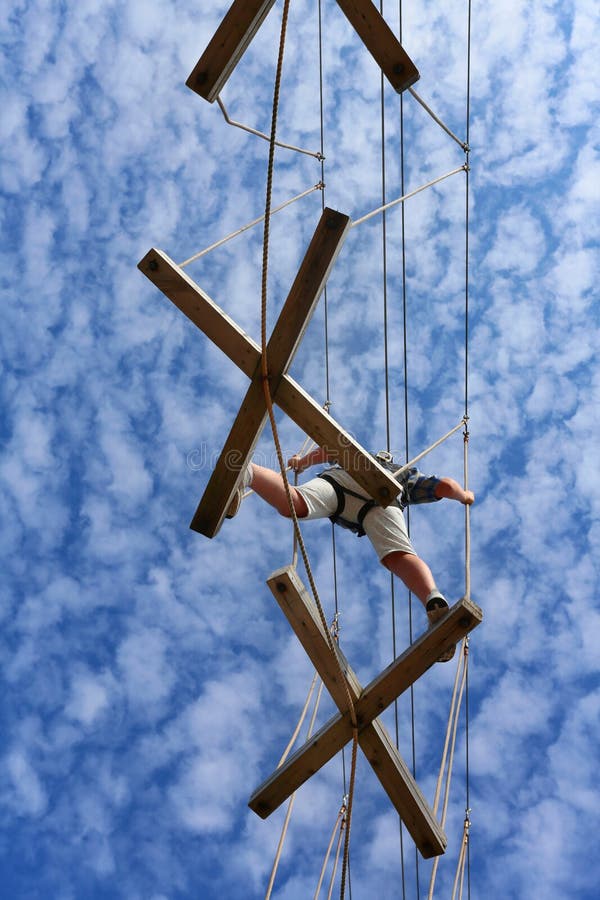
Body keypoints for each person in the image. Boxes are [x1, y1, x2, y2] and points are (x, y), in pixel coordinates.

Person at [227, 446, 474, 661]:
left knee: (297, 503)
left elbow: (327, 451)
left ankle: (249, 472)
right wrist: (464, 496)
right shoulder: (405, 473)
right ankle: (432, 597)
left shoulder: (358, 456)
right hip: (384, 497)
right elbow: (445, 486)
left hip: (341, 482)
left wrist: (301, 463)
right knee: (399, 556)